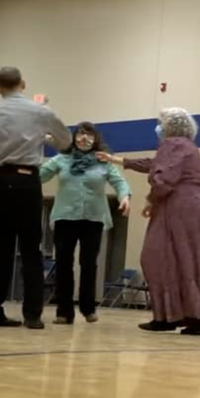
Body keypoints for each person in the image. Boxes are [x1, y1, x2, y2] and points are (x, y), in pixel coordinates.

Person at [0, 66, 71, 329]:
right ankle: (33, 315)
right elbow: (65, 142)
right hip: (27, 181)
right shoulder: (41, 111)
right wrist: (46, 136)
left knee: (1, 251)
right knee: (31, 250)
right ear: (23, 84)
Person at [100, 109, 200, 335]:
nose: (158, 127)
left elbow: (163, 179)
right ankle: (194, 317)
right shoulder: (186, 146)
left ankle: (168, 316)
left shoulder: (172, 144)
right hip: (195, 207)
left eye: (161, 122)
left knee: (156, 259)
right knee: (189, 263)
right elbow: (155, 164)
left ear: (171, 126)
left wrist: (149, 201)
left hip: (178, 206)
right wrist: (119, 160)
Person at [39, 123, 131, 324]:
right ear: (74, 137)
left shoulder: (103, 162)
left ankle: (88, 308)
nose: (84, 138)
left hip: (93, 218)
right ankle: (64, 311)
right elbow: (40, 175)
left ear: (95, 139)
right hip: (65, 217)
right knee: (63, 264)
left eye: (89, 135)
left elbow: (120, 182)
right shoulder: (61, 159)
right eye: (80, 134)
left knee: (89, 264)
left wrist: (124, 197)